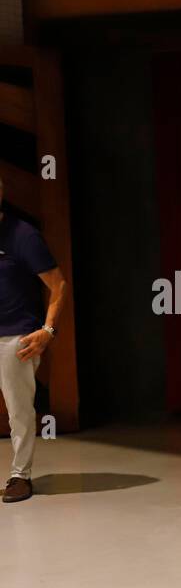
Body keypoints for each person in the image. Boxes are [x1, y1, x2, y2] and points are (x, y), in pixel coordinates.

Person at [0, 174, 66, 503]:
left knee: (19, 412)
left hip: (16, 338)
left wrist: (48, 330)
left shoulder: (23, 236)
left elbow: (58, 284)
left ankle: (20, 476)